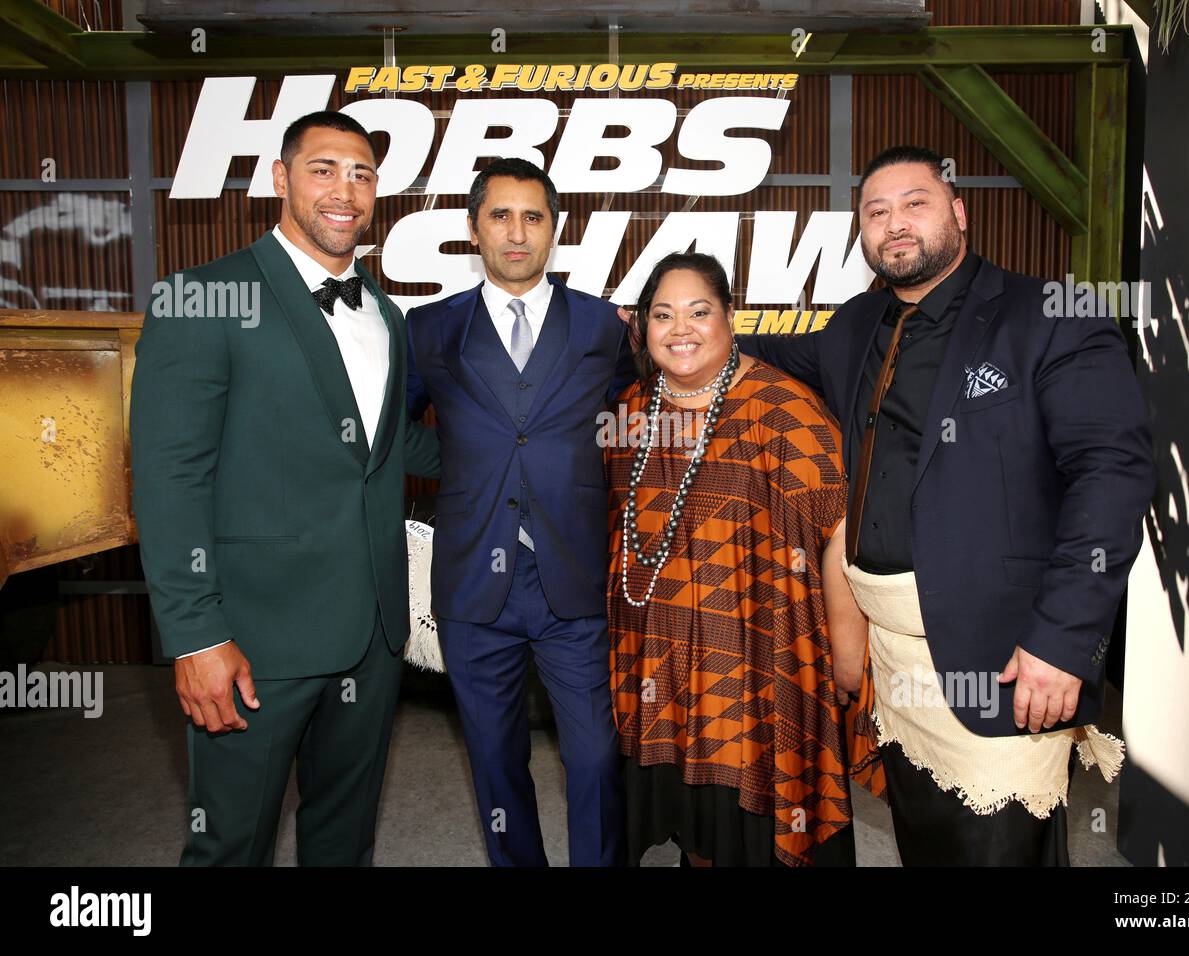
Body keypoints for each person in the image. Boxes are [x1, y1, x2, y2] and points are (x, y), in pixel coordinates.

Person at [734, 145, 1155, 865]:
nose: (895, 224)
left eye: (915, 203)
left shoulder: (1049, 316)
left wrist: (1062, 640)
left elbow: (1111, 474)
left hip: (1007, 656)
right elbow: (759, 354)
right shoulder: (854, 326)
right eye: (876, 212)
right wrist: (664, 327)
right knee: (925, 845)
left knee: (1000, 850)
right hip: (893, 660)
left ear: (959, 212)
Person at [131, 110, 442, 866]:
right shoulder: (200, 297)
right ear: (280, 178)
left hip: (373, 634)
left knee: (343, 839)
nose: (345, 190)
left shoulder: (385, 312)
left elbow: (388, 448)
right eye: (323, 169)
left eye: (362, 175)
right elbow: (169, 478)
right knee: (230, 847)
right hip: (252, 639)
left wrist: (530, 453)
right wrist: (195, 636)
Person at [607, 252, 873, 867]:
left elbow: (841, 525)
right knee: (699, 833)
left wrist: (848, 650)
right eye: (662, 315)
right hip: (661, 668)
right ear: (643, 326)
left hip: (758, 669)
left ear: (730, 316)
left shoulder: (783, 407)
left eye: (698, 311)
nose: (680, 329)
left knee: (752, 833)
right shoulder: (631, 411)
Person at [405, 158, 634, 866]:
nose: (516, 232)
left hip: (576, 577)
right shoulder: (430, 327)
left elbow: (632, 421)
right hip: (474, 580)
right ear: (474, 228)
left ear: (553, 230)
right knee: (495, 760)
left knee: (596, 756)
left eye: (532, 217)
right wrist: (463, 465)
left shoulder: (603, 324)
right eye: (500, 215)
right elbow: (393, 432)